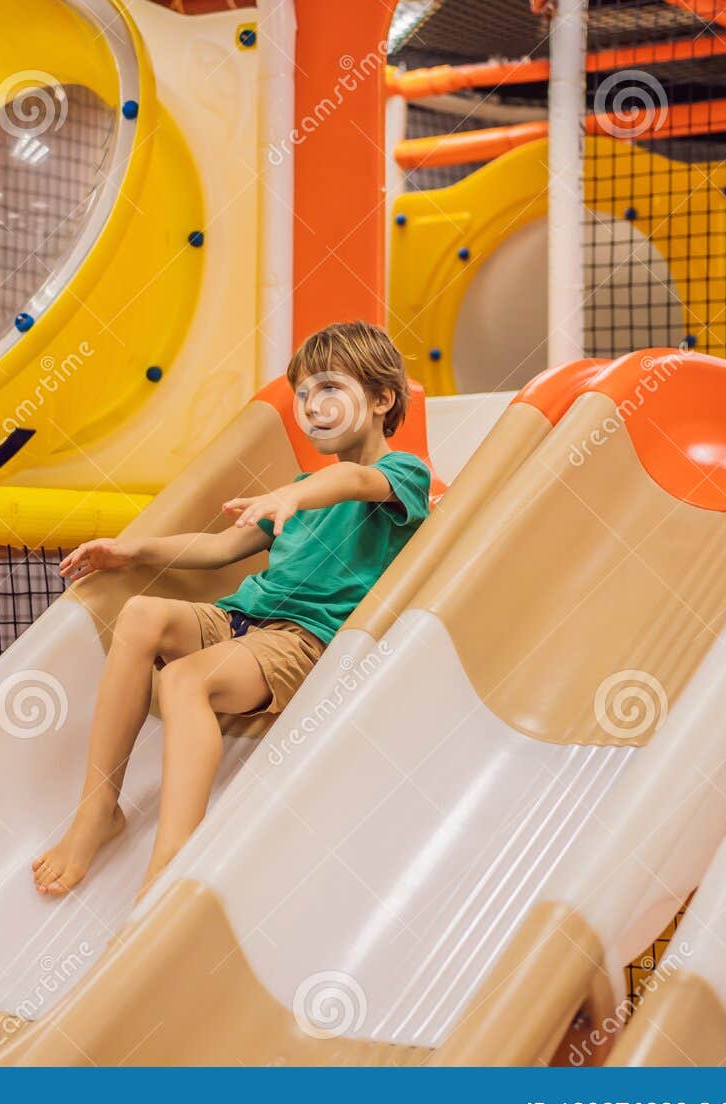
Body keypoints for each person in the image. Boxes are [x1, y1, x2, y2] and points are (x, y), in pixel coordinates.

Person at [31, 321, 432, 897]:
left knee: (184, 682)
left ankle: (172, 866)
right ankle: (98, 811)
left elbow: (355, 481)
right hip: (239, 619)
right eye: (303, 394)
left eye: (329, 389)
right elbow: (220, 548)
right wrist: (131, 550)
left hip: (301, 640)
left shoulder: (401, 476)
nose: (310, 406)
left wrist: (292, 494)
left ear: (381, 399)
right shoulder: (301, 490)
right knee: (141, 614)